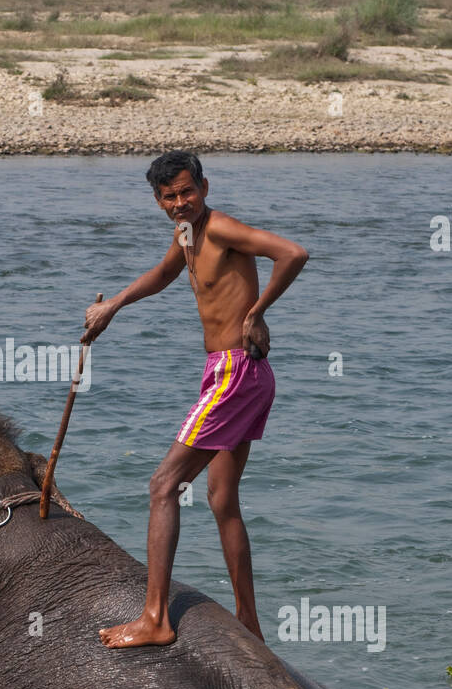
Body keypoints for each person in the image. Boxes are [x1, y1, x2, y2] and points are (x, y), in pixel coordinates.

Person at [82, 149, 308, 646]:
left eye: (187, 192)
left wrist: (257, 311)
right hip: (236, 373)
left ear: (204, 187)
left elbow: (293, 253)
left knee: (163, 484)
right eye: (169, 197)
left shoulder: (222, 227)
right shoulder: (186, 233)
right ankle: (249, 623)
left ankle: (155, 618)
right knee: (222, 498)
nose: (180, 202)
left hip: (236, 371)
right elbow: (163, 276)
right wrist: (113, 307)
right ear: (158, 202)